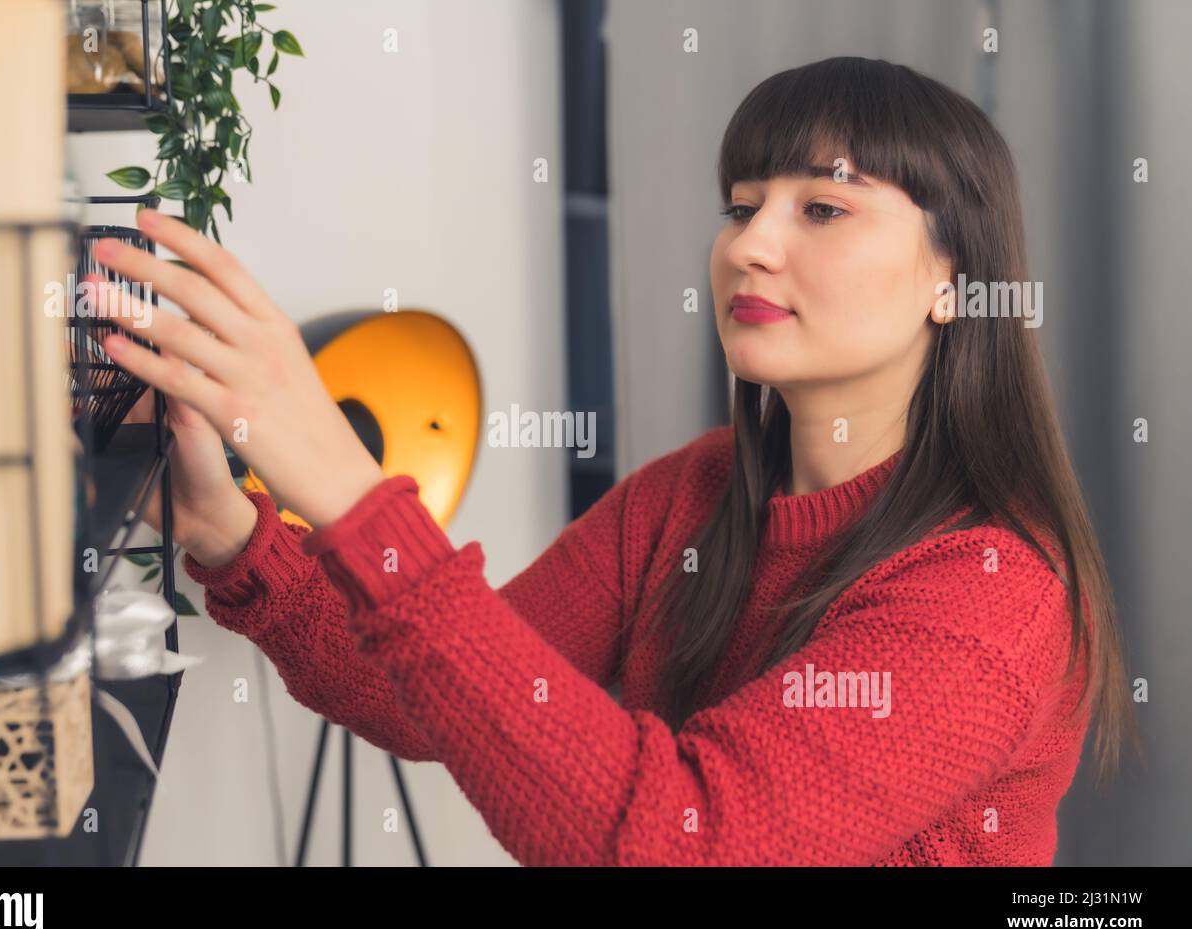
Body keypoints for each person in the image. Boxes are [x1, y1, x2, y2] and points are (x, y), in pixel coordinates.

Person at [90, 56, 1137, 866]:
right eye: (740, 204)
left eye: (820, 207)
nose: (748, 245)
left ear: (953, 281)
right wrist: (230, 531)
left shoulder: (988, 593)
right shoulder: (689, 493)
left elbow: (683, 839)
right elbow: (424, 697)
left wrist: (352, 493)